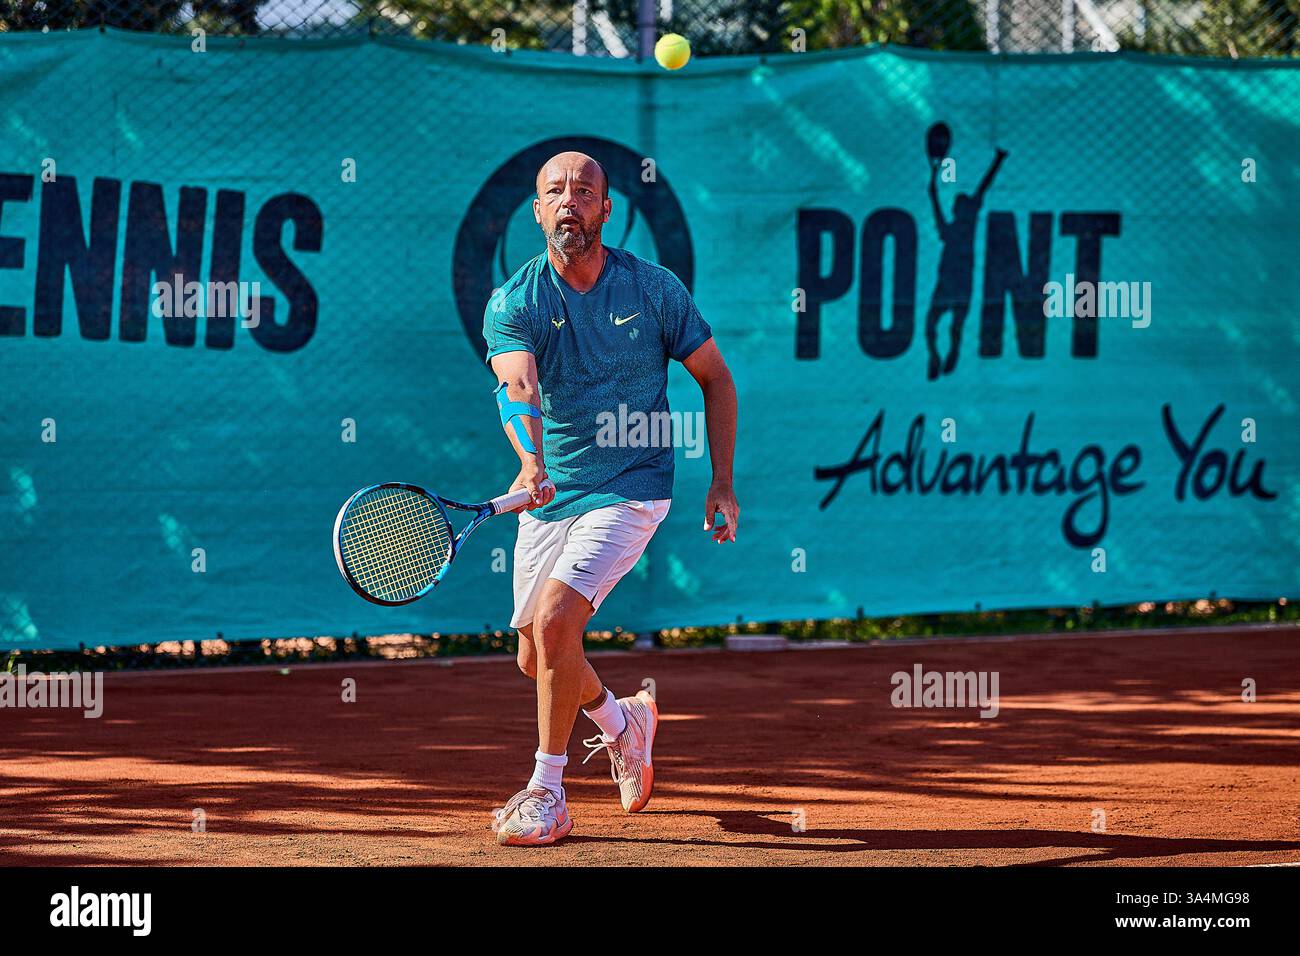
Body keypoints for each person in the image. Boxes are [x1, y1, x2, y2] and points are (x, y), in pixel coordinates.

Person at [482, 150, 739, 846]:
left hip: (634, 485)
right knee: (537, 655)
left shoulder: (653, 290)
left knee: (557, 621)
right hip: (554, 489)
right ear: (538, 211)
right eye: (555, 192)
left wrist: (720, 481)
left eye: (584, 191)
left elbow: (716, 379)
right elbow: (519, 386)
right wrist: (531, 459)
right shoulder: (516, 300)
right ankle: (625, 723)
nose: (570, 200)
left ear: (605, 210)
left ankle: (548, 792)